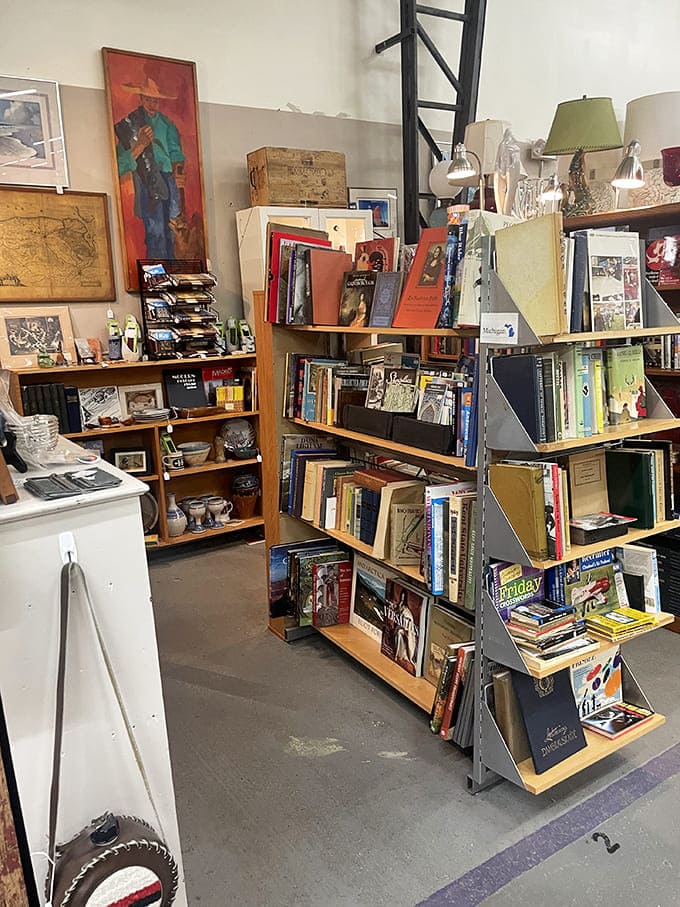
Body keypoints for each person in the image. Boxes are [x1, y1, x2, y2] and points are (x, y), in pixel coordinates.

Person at [114, 77, 185, 259]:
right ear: (141, 98)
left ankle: (171, 275)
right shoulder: (130, 124)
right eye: (148, 99)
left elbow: (176, 153)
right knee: (155, 232)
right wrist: (140, 144)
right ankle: (157, 278)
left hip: (168, 180)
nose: (152, 104)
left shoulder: (167, 124)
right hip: (147, 180)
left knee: (170, 230)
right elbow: (119, 164)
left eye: (155, 100)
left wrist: (178, 172)